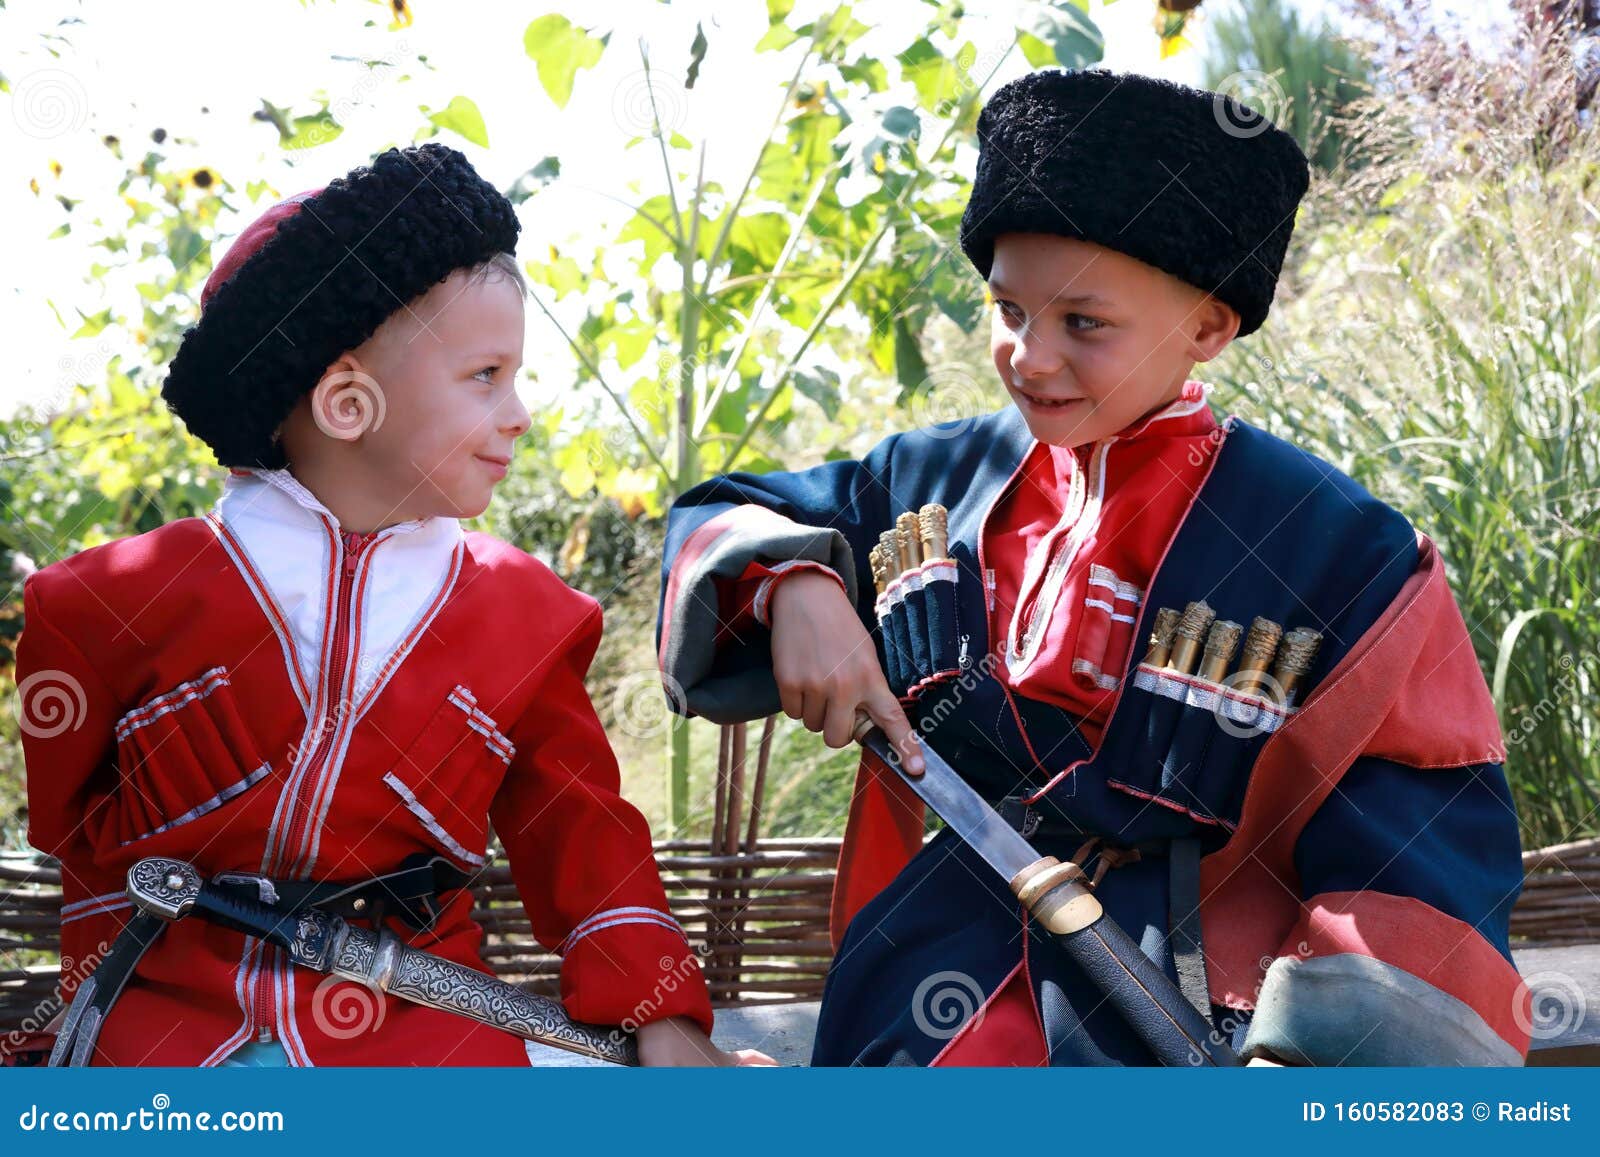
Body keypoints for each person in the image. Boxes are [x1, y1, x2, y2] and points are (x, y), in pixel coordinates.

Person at [657, 69, 1531, 1066]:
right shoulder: (936, 481)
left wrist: (1308, 1061)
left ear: (1208, 324)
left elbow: (1416, 840)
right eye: (1008, 310)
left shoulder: (1331, 546)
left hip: (1192, 1007)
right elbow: (723, 515)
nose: (1029, 357)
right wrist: (799, 585)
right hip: (923, 973)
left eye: (1083, 322)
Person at [13, 142, 770, 1067]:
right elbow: (80, 840)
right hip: (170, 1005)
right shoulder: (106, 605)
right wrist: (85, 1014)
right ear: (345, 402)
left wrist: (664, 1014)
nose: (520, 411)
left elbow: (578, 829)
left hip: (416, 1017)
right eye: (484, 376)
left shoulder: (524, 617)